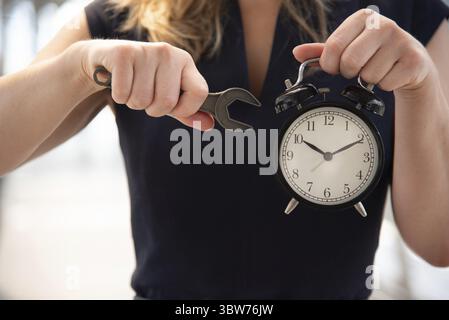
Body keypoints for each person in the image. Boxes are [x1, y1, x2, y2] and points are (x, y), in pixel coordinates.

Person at [0, 0, 449, 299]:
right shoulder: (120, 17)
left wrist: (420, 84)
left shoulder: (409, 17)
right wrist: (80, 67)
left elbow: (439, 241)